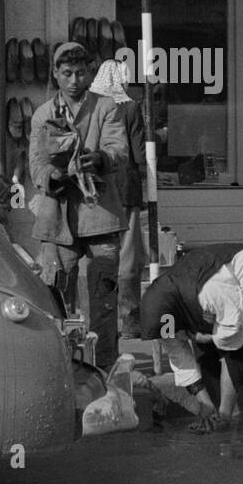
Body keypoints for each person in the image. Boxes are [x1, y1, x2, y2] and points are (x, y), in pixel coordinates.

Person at [29, 40, 128, 367]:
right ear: (56, 74)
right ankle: (63, 368)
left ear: (90, 74)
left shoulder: (106, 107)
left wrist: (98, 158)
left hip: (101, 217)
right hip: (59, 222)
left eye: (81, 73)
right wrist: (54, 177)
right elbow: (36, 167)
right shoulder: (43, 115)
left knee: (103, 303)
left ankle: (106, 369)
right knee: (56, 302)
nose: (74, 80)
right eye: (67, 73)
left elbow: (119, 152)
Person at [140, 245, 243, 433]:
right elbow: (180, 356)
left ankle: (225, 415)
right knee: (204, 351)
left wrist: (209, 338)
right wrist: (204, 404)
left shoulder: (208, 291)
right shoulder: (167, 317)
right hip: (223, 297)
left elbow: (237, 325)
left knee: (239, 347)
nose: (172, 334)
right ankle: (218, 411)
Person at [90, 57, 148, 337]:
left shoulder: (91, 107)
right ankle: (129, 322)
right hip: (125, 187)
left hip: (96, 189)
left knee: (100, 254)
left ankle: (101, 322)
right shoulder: (130, 108)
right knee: (127, 256)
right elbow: (138, 153)